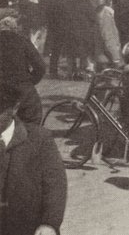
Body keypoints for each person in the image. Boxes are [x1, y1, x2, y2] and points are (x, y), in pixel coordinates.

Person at [0, 82, 67, 235]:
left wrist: (49, 223)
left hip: (27, 227)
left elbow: (55, 185)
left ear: (15, 108)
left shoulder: (39, 139)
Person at [0, 15, 46, 124]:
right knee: (31, 124)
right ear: (15, 28)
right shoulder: (22, 40)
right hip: (23, 90)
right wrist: (29, 81)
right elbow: (40, 66)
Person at [65, 0, 97, 78]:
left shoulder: (68, 3)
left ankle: (70, 72)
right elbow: (93, 17)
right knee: (83, 53)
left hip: (70, 32)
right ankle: (81, 72)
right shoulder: (86, 3)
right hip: (83, 32)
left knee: (71, 54)